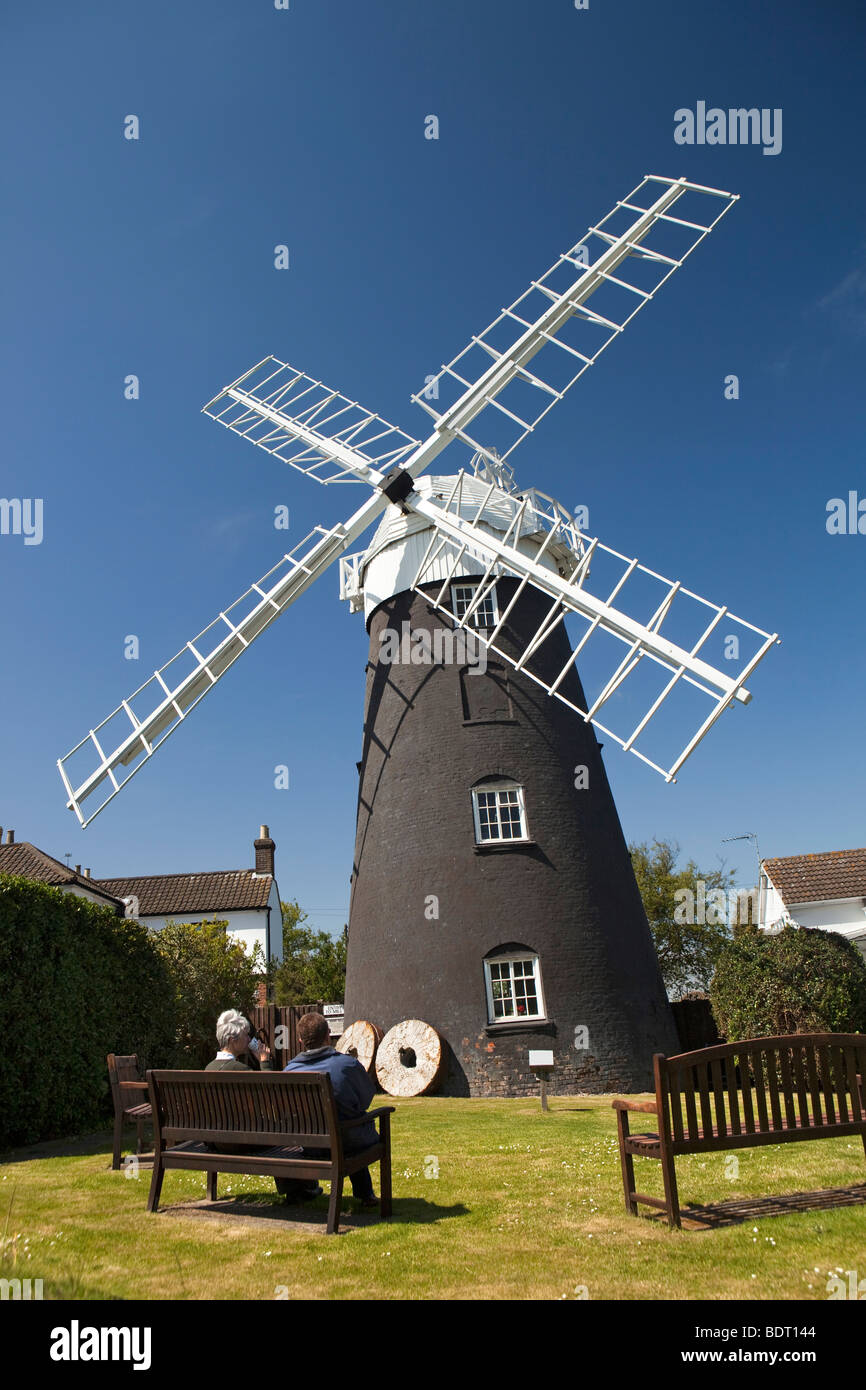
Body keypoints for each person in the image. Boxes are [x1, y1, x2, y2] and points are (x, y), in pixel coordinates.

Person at [205, 1009, 319, 1203]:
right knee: (287, 1129)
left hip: (216, 1141)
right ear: (232, 1040)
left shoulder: (208, 1069)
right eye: (245, 1035)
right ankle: (301, 1189)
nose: (249, 1039)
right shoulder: (241, 1070)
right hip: (242, 1141)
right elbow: (271, 1099)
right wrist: (264, 1062)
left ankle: (302, 1187)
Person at [283, 1012, 379, 1207]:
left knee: (344, 1126)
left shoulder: (290, 1071)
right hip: (347, 1142)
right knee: (349, 1124)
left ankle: (298, 1192)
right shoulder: (347, 1065)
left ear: (300, 1040)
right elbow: (366, 1098)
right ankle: (365, 1194)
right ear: (328, 1035)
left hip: (309, 1144)